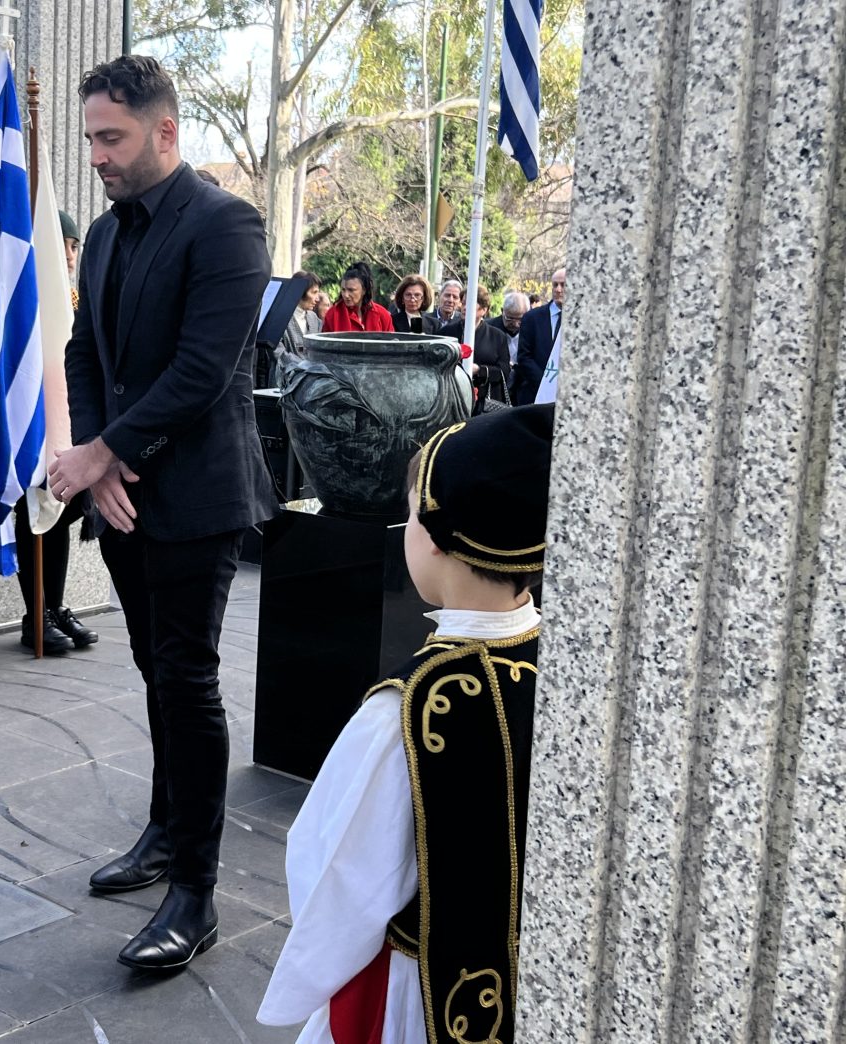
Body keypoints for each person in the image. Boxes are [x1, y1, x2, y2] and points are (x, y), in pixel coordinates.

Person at [48, 54, 276, 971]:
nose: (96, 155)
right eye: (91, 138)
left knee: (186, 680)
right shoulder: (105, 235)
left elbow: (202, 371)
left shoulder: (228, 224)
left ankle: (195, 892)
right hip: (126, 495)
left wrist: (103, 455)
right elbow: (83, 354)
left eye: (111, 137)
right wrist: (100, 458)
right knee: (154, 672)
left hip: (197, 496)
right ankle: (162, 828)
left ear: (165, 130)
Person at [258, 403, 555, 1044]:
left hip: (427, 994)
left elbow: (339, 870)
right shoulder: (565, 663)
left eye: (412, 514)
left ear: (440, 537)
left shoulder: (411, 708)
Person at [12, 209, 98, 656]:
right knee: (35, 513)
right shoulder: (25, 296)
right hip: (33, 423)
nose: (68, 254)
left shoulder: (74, 298)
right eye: (61, 243)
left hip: (70, 422)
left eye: (73, 245)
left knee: (60, 513)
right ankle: (36, 616)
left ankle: (56, 606)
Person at [440, 285, 509, 411]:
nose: (465, 307)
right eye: (463, 303)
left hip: (484, 402)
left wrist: (479, 370)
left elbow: (504, 371)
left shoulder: (497, 337)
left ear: (483, 310)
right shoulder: (446, 333)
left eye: (470, 303)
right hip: (451, 398)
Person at [511, 267, 566, 405]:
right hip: (534, 394)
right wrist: (546, 384)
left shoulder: (580, 320)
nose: (558, 289)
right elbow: (524, 357)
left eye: (563, 285)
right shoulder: (532, 318)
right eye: (555, 285)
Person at [269, 270, 322, 385]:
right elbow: (278, 353)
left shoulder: (314, 319)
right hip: (283, 383)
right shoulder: (279, 317)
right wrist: (303, 366)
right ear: (299, 291)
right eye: (314, 292)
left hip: (309, 384)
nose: (317, 299)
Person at [322, 262, 394, 333]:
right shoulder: (332, 315)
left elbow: (391, 340)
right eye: (343, 290)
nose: (346, 295)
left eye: (351, 290)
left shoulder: (383, 315)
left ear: (364, 290)